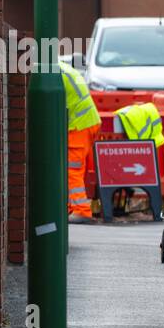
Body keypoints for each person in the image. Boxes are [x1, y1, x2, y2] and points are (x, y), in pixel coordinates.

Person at [59, 57, 101, 222]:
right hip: (85, 123)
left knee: (71, 170)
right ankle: (73, 208)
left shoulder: (50, 73)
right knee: (74, 169)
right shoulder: (60, 68)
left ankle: (81, 211)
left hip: (79, 125)